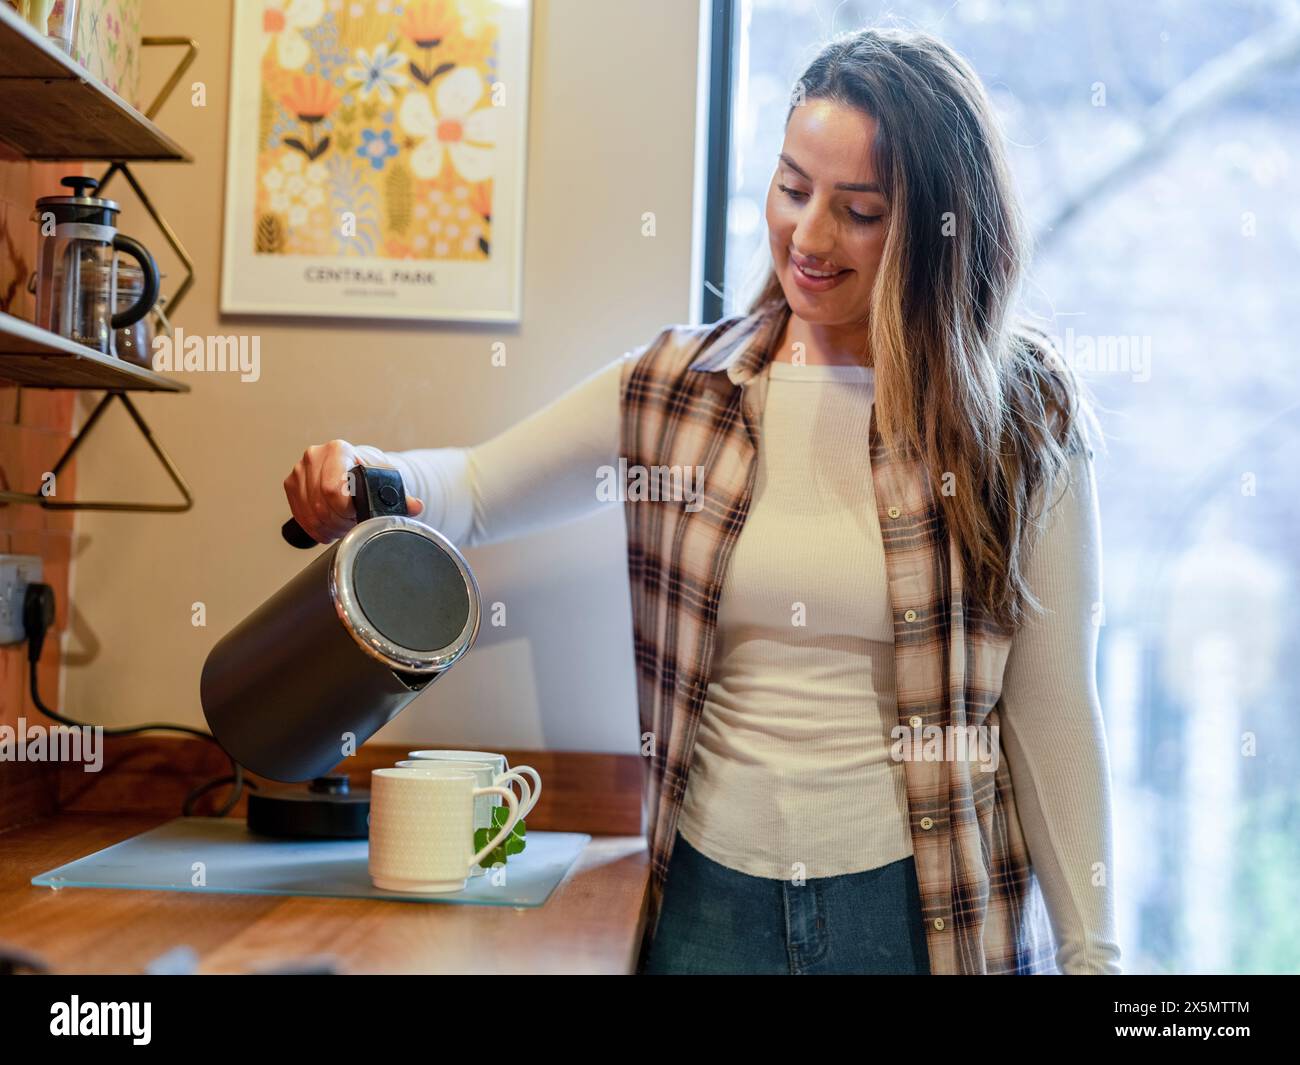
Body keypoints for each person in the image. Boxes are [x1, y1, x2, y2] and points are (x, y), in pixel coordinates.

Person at [283, 27, 1120, 975]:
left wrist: (1098, 961)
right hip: (709, 905)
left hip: (915, 914)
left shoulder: (1018, 413)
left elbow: (1053, 711)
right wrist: (364, 476)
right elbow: (471, 490)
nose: (807, 237)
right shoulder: (682, 385)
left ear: (935, 225)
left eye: (859, 210)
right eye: (793, 188)